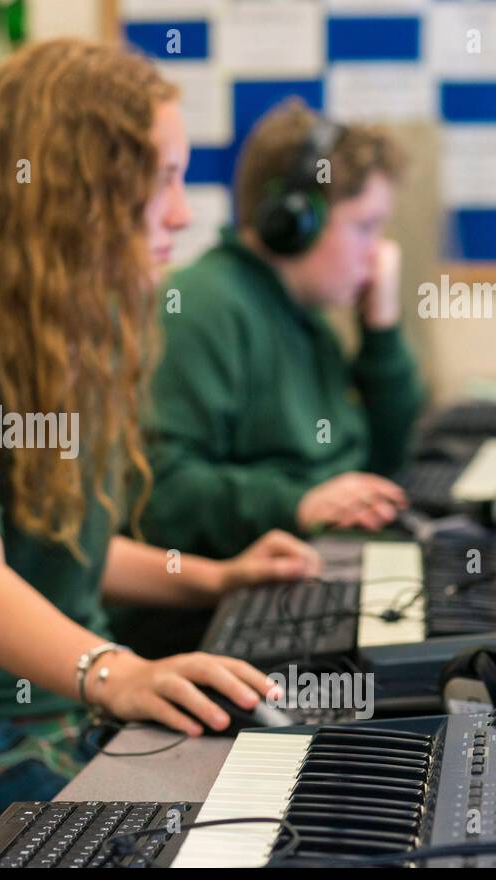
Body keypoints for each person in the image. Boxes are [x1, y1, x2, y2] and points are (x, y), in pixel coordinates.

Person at [0, 39, 321, 868]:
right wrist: (116, 671)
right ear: (81, 194)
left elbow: (62, 543)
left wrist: (213, 576)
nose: (182, 214)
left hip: (36, 711)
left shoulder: (73, 334)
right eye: (165, 181)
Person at [139, 99, 425, 562]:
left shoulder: (303, 315)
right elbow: (159, 491)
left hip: (319, 560)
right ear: (293, 221)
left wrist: (381, 329)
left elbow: (384, 458)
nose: (379, 254)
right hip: (212, 609)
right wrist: (296, 504)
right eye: (364, 227)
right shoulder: (203, 308)